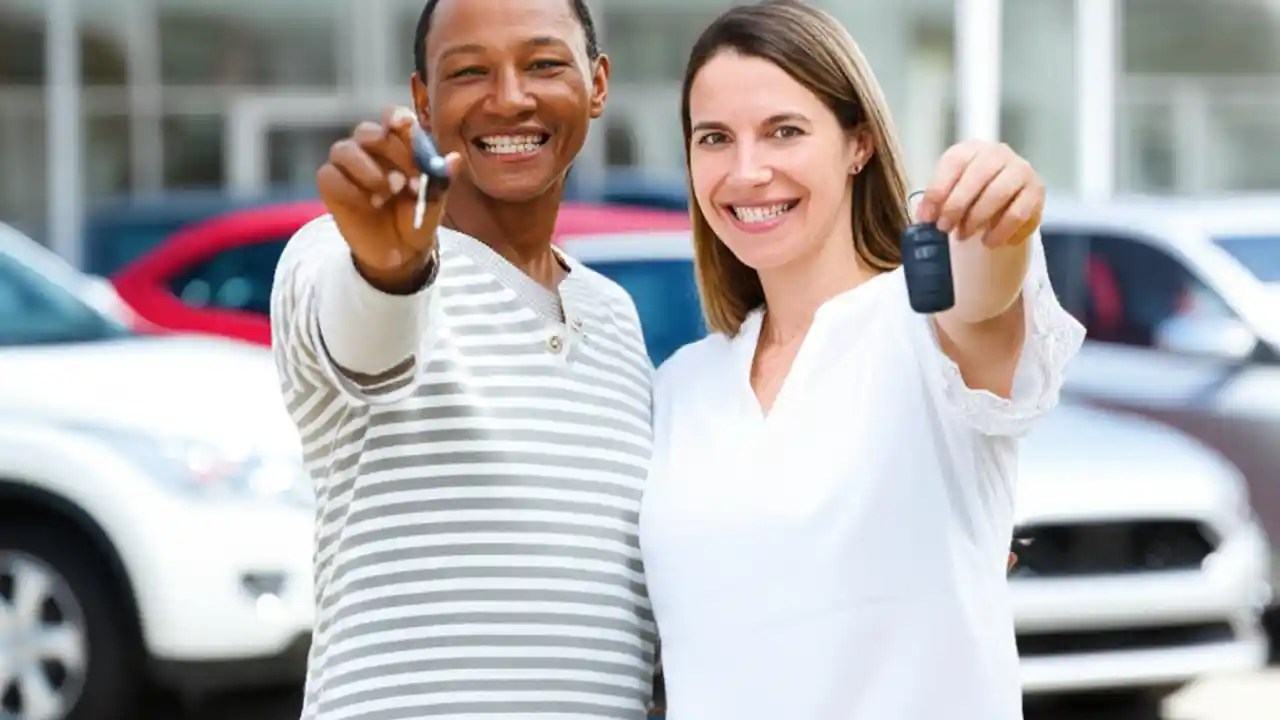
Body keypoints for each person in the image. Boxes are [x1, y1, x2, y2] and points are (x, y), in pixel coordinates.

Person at [638, 2, 1086, 719]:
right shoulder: (681, 385)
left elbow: (983, 300)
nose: (746, 171)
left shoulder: (921, 329)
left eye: (784, 131)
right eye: (714, 138)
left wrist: (996, 210)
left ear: (859, 144)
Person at [269, 0, 658, 718]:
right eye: (469, 71)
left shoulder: (616, 318)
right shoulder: (334, 253)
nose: (509, 98)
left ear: (597, 84)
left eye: (543, 64)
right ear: (424, 100)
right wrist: (390, 268)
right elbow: (368, 347)